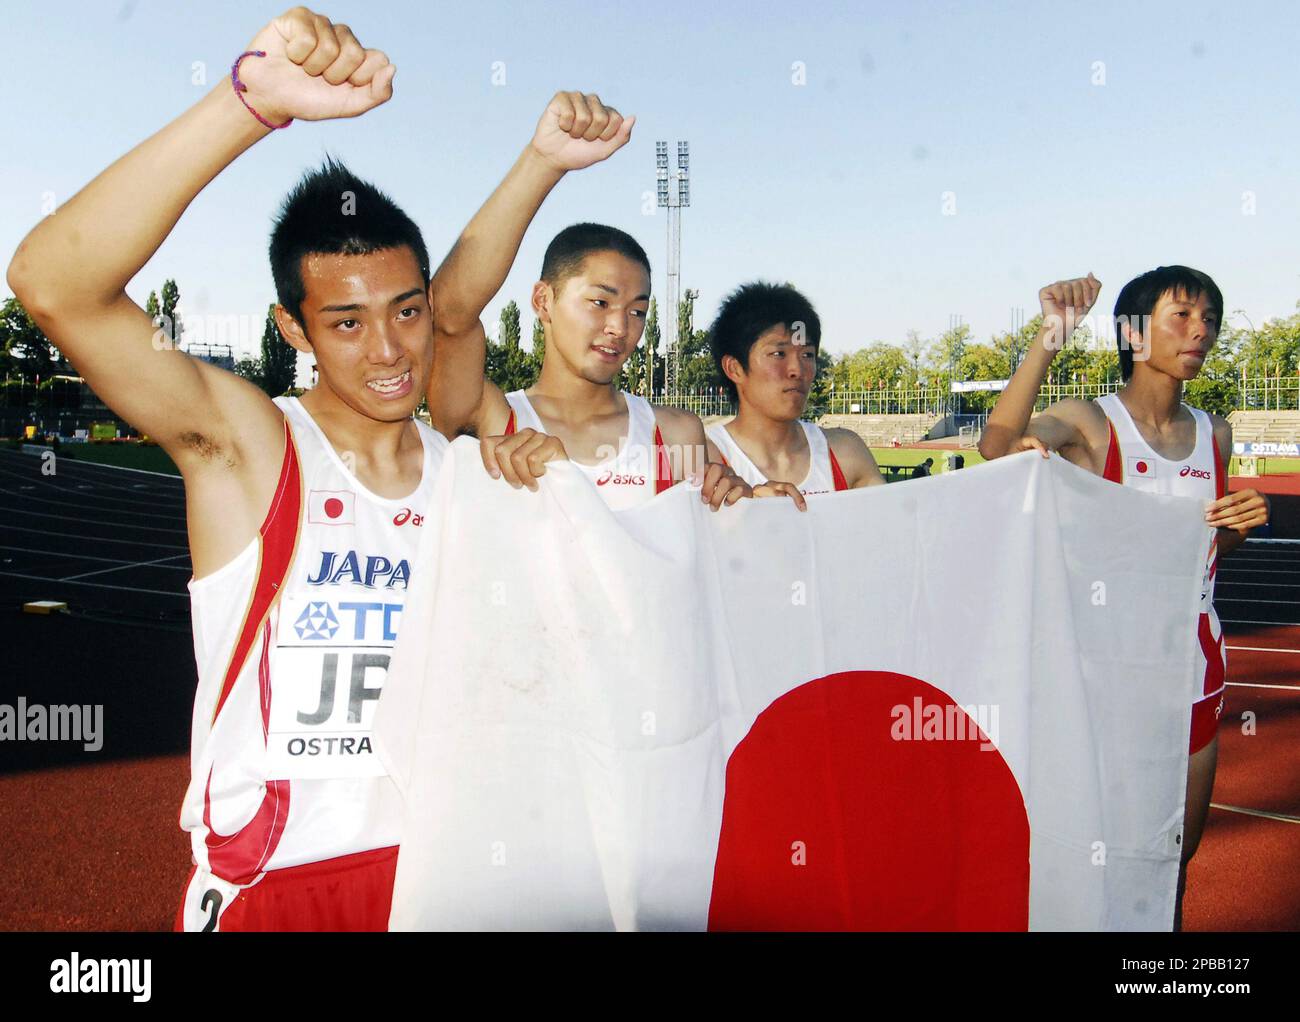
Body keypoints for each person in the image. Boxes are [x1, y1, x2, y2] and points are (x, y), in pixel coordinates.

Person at [7, 7, 559, 931]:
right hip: (282, 887)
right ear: (293, 329)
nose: (389, 349)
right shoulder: (253, 448)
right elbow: (53, 284)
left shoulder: (474, 477)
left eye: (409, 311)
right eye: (346, 323)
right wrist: (247, 104)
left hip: (444, 876)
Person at [978, 268, 1269, 928]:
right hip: (1100, 672)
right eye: (1183, 315)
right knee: (1087, 853)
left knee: (1174, 858)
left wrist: (1241, 527)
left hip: (1192, 665)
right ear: (1134, 333)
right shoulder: (1091, 424)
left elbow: (1208, 554)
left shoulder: (1215, 434)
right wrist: (1053, 330)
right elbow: (996, 448)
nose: (1202, 330)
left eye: (1211, 319)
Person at [424, 92, 750, 511]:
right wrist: (543, 162)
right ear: (543, 300)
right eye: (600, 302)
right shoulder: (492, 421)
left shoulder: (676, 435)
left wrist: (747, 505)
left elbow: (703, 546)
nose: (620, 326)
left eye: (637, 311)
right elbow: (449, 315)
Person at [704, 282, 886, 508]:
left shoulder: (846, 454)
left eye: (807, 354)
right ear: (735, 368)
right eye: (778, 353)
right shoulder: (703, 460)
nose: (797, 370)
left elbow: (891, 532)